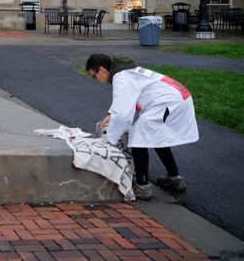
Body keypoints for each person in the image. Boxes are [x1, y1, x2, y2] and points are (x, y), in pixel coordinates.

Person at [85, 53, 199, 200]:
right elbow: (124, 101)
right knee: (155, 135)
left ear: (102, 69)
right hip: (179, 96)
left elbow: (123, 114)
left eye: (94, 75)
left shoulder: (122, 77)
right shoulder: (127, 71)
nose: (95, 79)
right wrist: (111, 115)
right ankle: (175, 178)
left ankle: (143, 186)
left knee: (138, 136)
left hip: (168, 102)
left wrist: (109, 140)